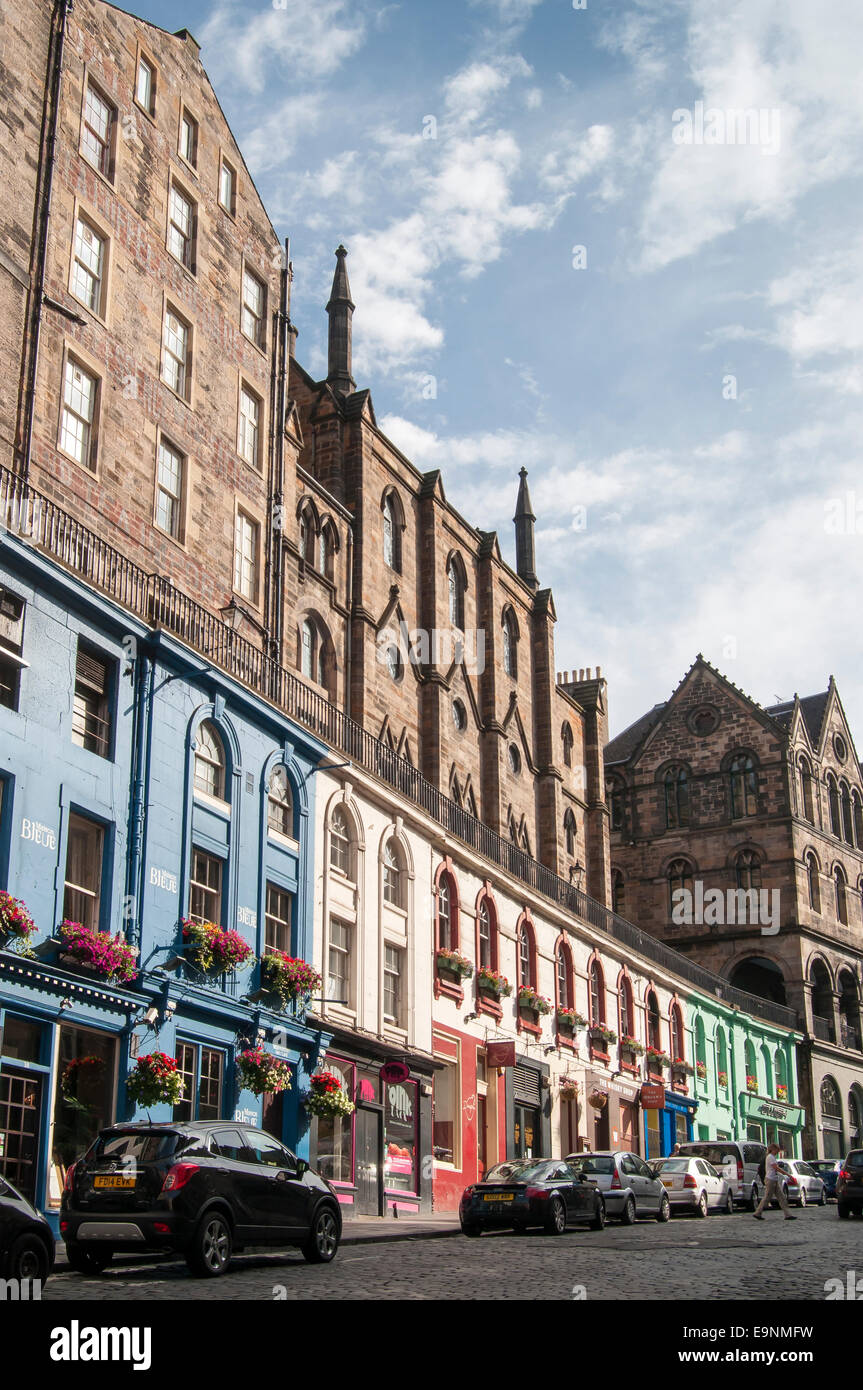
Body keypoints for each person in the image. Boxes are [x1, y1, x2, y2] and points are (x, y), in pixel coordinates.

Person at [752, 1143, 796, 1220]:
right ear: (773, 1149)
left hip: (774, 1179)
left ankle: (788, 1215)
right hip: (770, 1179)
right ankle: (757, 1213)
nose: (777, 1152)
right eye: (777, 1150)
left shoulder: (771, 1157)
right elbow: (776, 1168)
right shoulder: (770, 1157)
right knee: (767, 1197)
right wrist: (788, 1175)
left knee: (781, 1197)